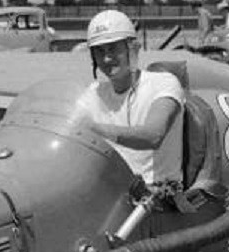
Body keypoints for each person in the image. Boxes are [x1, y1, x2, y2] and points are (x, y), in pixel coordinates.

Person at [76, 10, 185, 188]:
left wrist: (93, 128)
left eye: (113, 48)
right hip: (109, 193)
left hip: (156, 195)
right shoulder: (93, 93)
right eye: (99, 51)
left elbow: (153, 136)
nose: (106, 58)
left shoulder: (163, 83)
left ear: (132, 49)